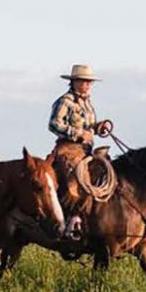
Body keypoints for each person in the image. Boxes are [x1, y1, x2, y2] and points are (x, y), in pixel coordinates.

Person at [49, 64, 113, 238]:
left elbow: (90, 126)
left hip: (86, 150)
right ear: (74, 82)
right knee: (74, 182)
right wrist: (77, 133)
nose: (87, 85)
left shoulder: (88, 103)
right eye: (83, 81)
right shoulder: (65, 101)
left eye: (89, 82)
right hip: (68, 150)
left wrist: (99, 127)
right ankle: (71, 217)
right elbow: (54, 124)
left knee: (105, 170)